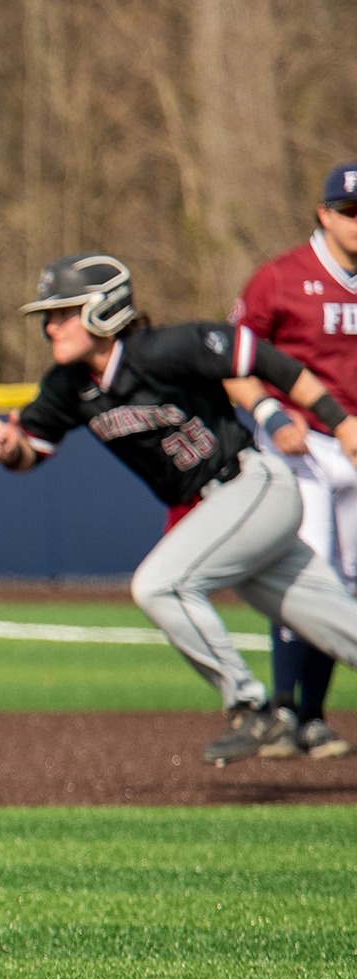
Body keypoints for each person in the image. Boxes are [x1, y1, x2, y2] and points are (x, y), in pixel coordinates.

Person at [0, 252, 357, 766]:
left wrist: (337, 420)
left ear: (102, 310)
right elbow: (33, 449)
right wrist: (10, 451)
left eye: (63, 312)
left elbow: (269, 361)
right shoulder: (69, 385)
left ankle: (250, 705)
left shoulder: (165, 350)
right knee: (341, 626)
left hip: (254, 486)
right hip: (223, 513)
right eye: (49, 315)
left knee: (158, 583)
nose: (51, 326)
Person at [215, 161, 357, 759]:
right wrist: (272, 415)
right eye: (349, 213)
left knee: (347, 582)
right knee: (308, 572)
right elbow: (231, 362)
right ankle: (284, 705)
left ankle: (310, 715)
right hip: (304, 445)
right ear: (324, 214)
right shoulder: (281, 278)